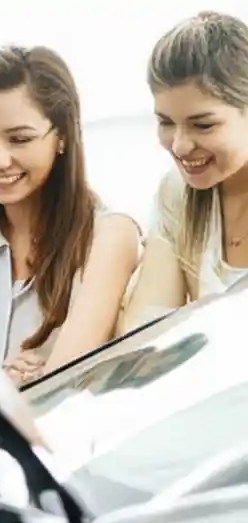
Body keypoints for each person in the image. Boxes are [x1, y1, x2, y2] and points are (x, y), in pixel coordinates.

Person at [0, 46, 140, 386]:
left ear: (62, 136)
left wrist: (32, 379)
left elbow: (65, 379)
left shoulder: (109, 236)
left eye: (19, 139)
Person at [119, 11, 248, 333]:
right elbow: (147, 328)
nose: (179, 146)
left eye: (203, 125)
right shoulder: (177, 194)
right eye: (165, 122)